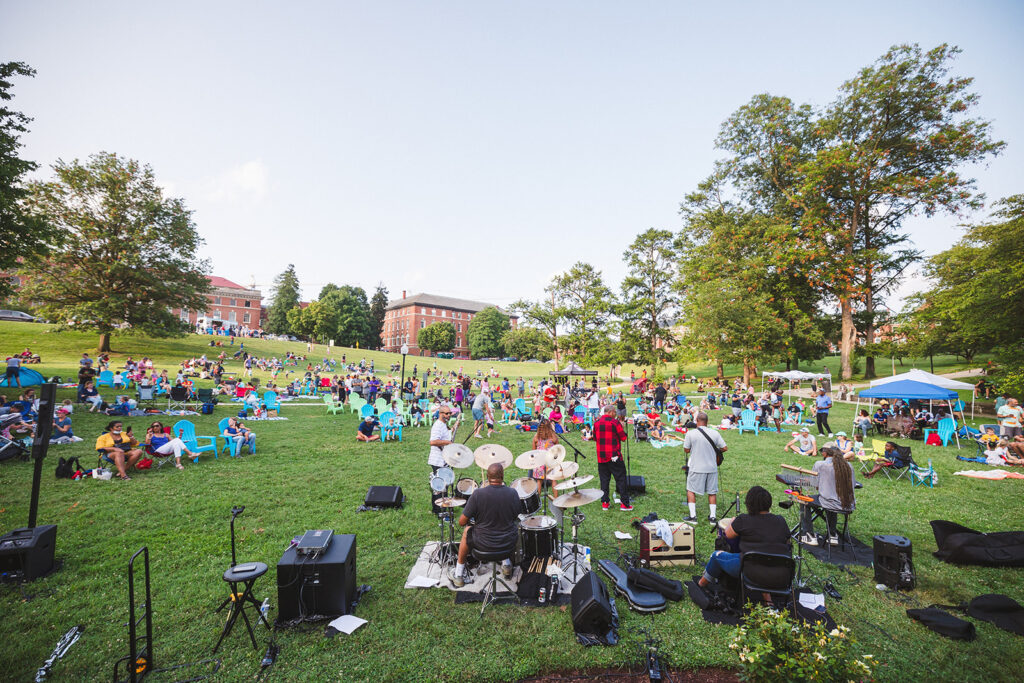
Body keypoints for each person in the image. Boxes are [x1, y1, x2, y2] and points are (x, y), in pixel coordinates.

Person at [697, 486, 791, 593]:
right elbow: (787, 543)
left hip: (752, 573)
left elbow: (727, 534)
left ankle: (701, 584)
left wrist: (733, 521)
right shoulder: (781, 520)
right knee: (764, 560)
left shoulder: (743, 520)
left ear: (749, 503)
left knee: (716, 556)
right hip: (782, 576)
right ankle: (768, 598)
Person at [451, 463, 521, 587]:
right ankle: (507, 565)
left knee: (467, 530)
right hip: (507, 544)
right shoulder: (513, 493)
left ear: (487, 477)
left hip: (482, 545)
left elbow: (461, 522)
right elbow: (516, 516)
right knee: (509, 526)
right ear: (502, 476)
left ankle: (458, 575)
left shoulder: (478, 494)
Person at [799, 447, 856, 546]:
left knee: (803, 500)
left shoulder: (820, 464)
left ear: (825, 453)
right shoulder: (849, 466)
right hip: (847, 504)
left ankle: (808, 535)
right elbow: (853, 484)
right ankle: (832, 535)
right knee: (831, 499)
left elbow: (814, 484)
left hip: (830, 502)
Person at [682, 411, 727, 525]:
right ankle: (713, 517)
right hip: (712, 467)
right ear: (707, 421)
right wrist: (715, 450)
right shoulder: (715, 433)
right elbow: (724, 448)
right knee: (712, 492)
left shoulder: (690, 434)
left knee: (690, 490)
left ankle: (693, 517)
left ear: (696, 421)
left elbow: (686, 449)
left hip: (696, 467)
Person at [594, 405, 632, 511]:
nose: (616, 414)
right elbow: (623, 438)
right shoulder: (615, 423)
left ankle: (605, 503)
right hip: (614, 456)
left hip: (601, 456)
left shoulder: (596, 423)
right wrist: (622, 427)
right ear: (610, 412)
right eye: (615, 412)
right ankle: (624, 504)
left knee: (604, 480)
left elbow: (595, 438)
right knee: (621, 479)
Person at [427, 405, 454, 473]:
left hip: (443, 459)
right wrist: (448, 442)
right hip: (437, 460)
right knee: (441, 479)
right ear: (440, 413)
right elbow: (432, 442)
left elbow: (446, 434)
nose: (449, 415)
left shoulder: (443, 424)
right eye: (446, 413)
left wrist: (454, 427)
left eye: (450, 413)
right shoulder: (438, 425)